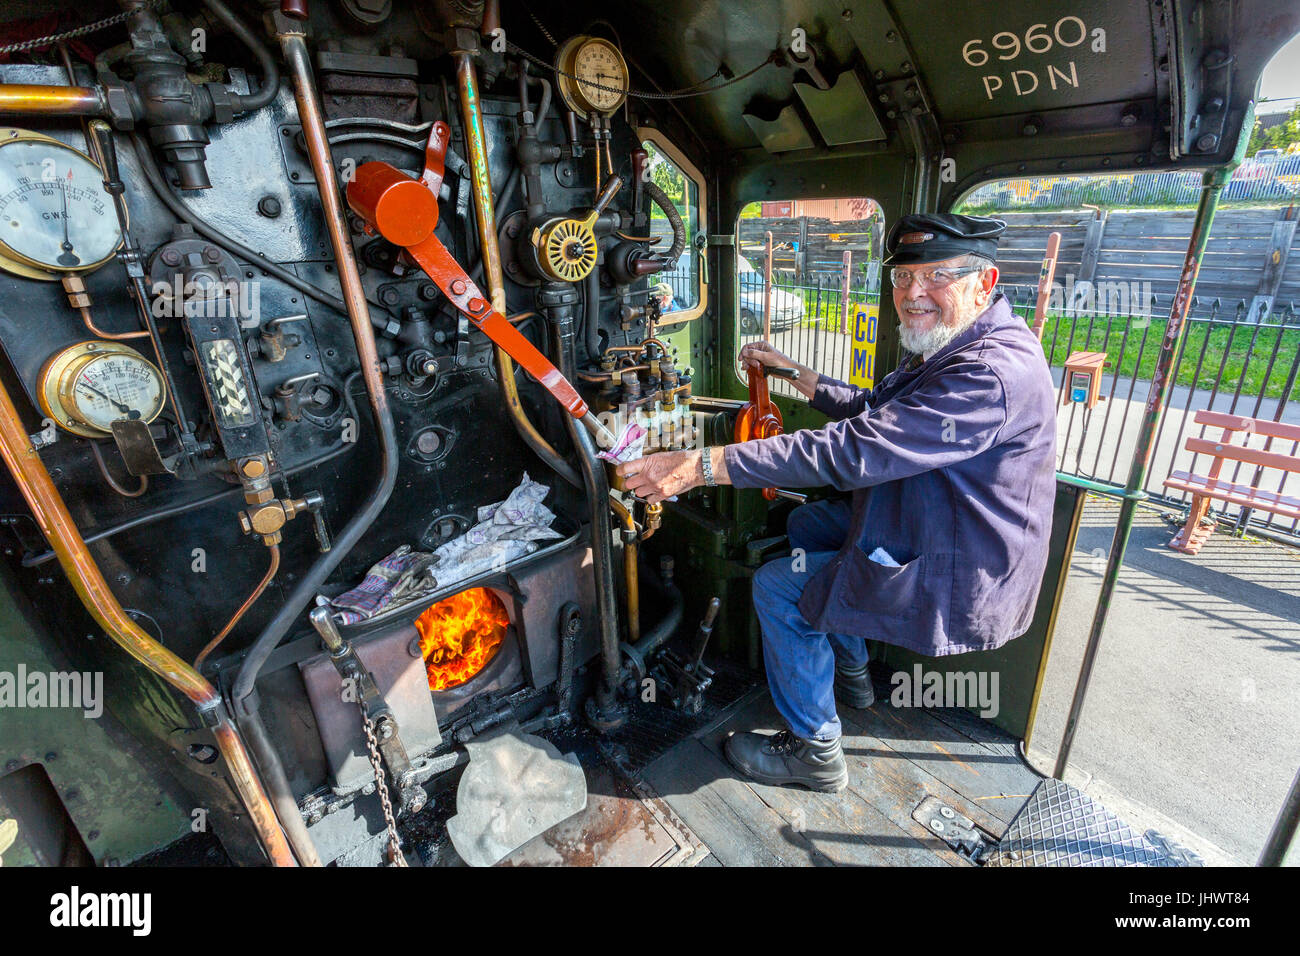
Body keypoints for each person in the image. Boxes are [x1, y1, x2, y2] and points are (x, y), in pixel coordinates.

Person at [616, 213, 1057, 792]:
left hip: (955, 566)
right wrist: (793, 373)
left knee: (777, 587)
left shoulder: (990, 371)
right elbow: (877, 410)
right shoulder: (957, 342)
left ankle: (816, 750)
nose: (912, 294)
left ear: (984, 280)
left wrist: (701, 466)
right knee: (807, 522)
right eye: (902, 278)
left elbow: (860, 447)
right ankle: (850, 670)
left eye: (936, 277)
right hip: (920, 522)